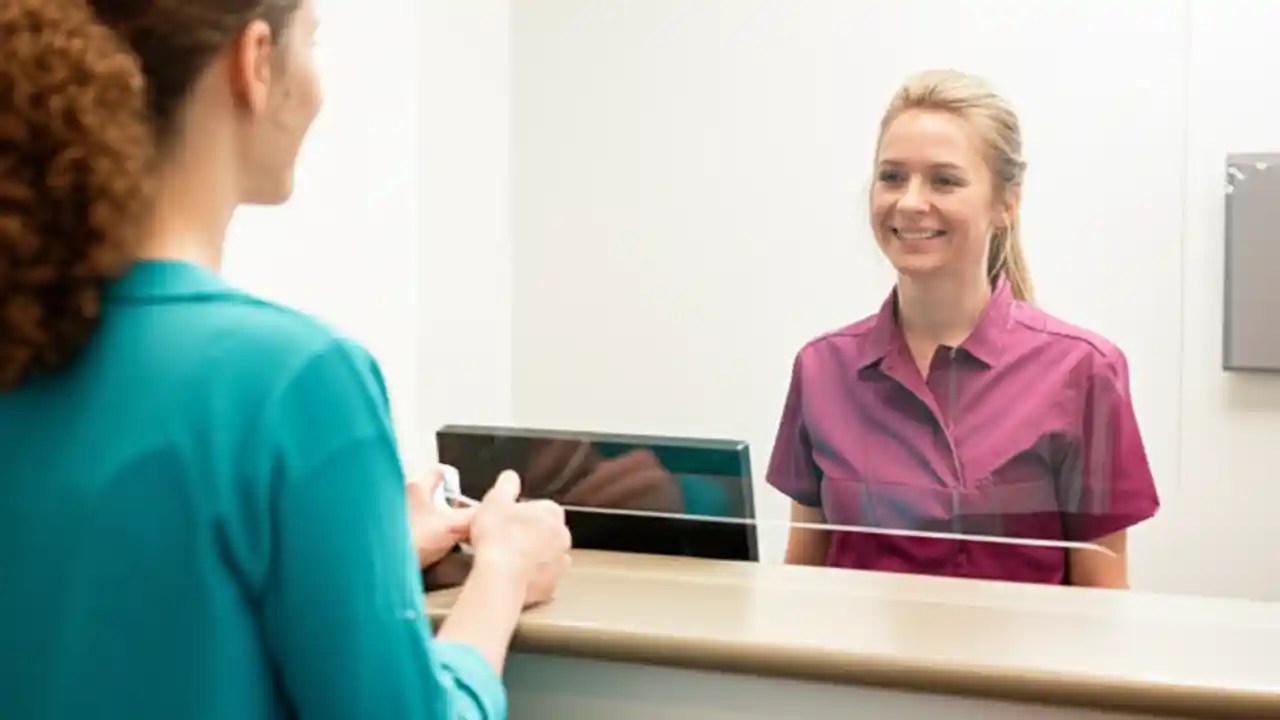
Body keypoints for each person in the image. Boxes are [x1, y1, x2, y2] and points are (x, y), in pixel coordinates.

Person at [0, 1, 570, 718]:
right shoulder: (297, 382)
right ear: (257, 59)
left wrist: (369, 546)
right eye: (314, 42)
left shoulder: (22, 342)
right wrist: (505, 573)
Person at [767, 69, 1159, 588]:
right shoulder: (822, 368)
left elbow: (1103, 606)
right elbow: (802, 584)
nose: (909, 202)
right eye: (892, 176)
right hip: (853, 670)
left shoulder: (1082, 370)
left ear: (1006, 203)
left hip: (1013, 670)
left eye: (944, 180)